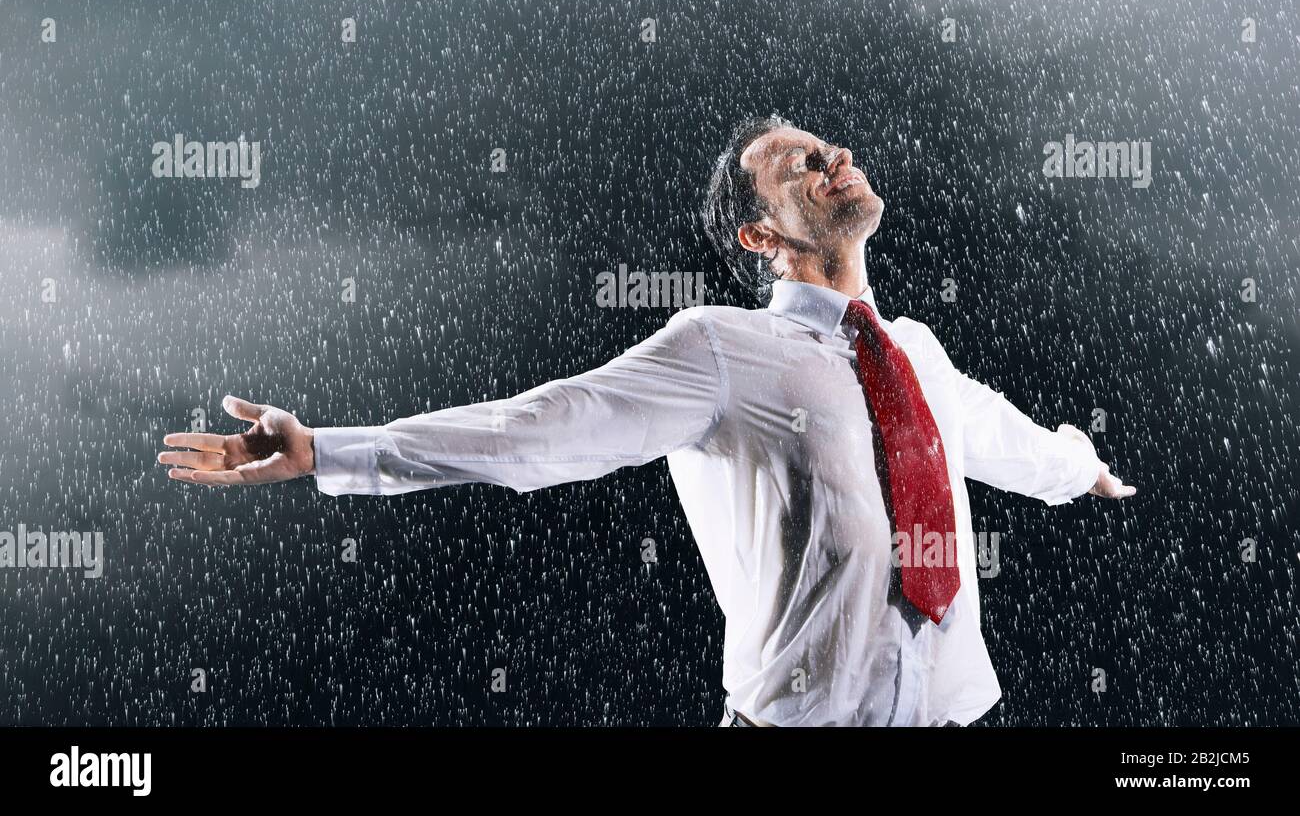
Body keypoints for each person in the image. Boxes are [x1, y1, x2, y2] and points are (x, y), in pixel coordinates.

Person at [158, 114, 1135, 726]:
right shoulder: (721, 349)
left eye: (827, 146)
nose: (833, 157)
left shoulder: (913, 350)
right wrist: (324, 450)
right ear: (760, 234)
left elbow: (990, 434)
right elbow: (539, 430)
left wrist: (1076, 467)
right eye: (800, 164)